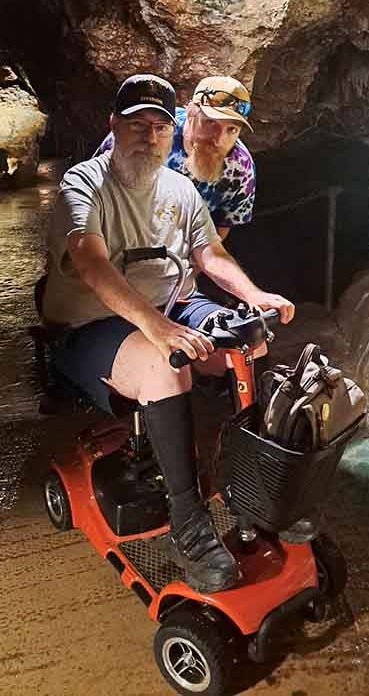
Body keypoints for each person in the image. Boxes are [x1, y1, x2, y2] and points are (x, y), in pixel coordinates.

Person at [43, 74, 294, 594]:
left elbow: (210, 252)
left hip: (171, 301)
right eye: (137, 125)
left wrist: (255, 296)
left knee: (249, 340)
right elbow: (91, 263)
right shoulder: (82, 186)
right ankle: (188, 524)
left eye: (159, 127)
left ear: (169, 130)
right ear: (113, 126)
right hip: (91, 321)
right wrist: (159, 329)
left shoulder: (181, 189)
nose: (150, 136)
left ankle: (248, 484)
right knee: (166, 365)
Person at [96, 75, 255, 241]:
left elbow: (221, 226)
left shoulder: (241, 169)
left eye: (232, 129)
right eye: (211, 123)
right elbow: (98, 180)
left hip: (181, 245)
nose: (219, 139)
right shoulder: (150, 130)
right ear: (191, 113)